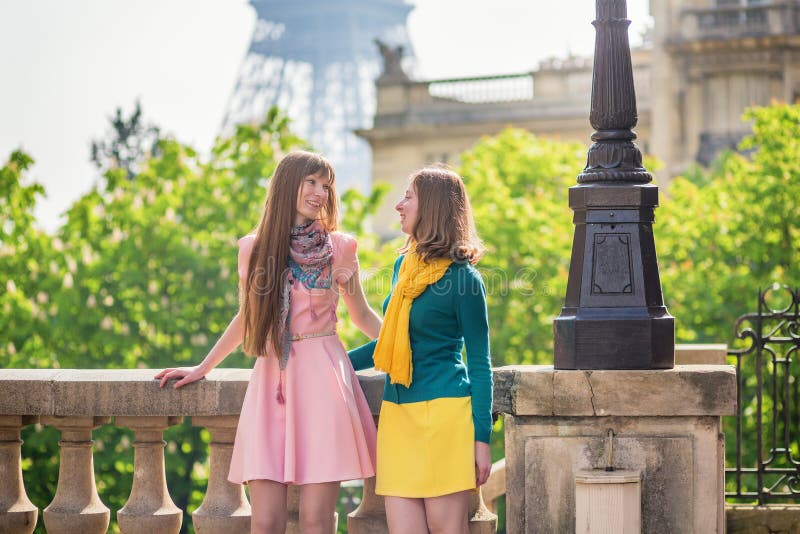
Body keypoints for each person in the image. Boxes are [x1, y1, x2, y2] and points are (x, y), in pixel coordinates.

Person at [154, 151, 381, 534]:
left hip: (324, 381)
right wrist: (204, 366)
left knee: (316, 521)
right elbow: (248, 317)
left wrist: (409, 345)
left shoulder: (340, 248)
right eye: (311, 182)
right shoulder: (254, 249)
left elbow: (361, 315)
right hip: (272, 383)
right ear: (287, 185)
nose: (320, 193)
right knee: (266, 521)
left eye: (326, 186)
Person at [348, 165, 493, 534]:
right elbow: (392, 342)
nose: (399, 205)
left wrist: (481, 439)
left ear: (432, 207)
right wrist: (335, 363)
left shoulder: (464, 279)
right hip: (397, 415)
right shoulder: (403, 266)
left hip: (444, 416)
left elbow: (480, 364)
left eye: (408, 197)